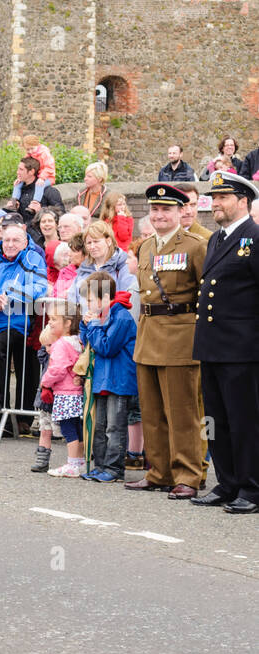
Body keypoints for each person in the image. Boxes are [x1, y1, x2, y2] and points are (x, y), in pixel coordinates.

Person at [126, 183, 208, 498]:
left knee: (183, 413)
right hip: (148, 336)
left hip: (181, 337)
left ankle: (188, 475)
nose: (160, 215)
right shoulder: (145, 247)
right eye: (155, 209)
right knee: (153, 411)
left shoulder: (195, 245)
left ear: (180, 212)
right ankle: (159, 472)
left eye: (167, 209)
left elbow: (207, 295)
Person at [190, 171, 259, 513]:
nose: (214, 204)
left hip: (242, 349)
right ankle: (228, 481)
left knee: (244, 419)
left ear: (242, 201)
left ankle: (251, 487)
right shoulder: (217, 239)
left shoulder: (254, 237)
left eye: (222, 198)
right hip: (213, 346)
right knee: (215, 421)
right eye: (213, 198)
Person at [0, 222, 48, 435]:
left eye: (15, 240)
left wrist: (9, 294)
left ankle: (23, 419)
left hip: (23, 324)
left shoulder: (33, 259)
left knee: (27, 368)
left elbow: (40, 287)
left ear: (24, 243)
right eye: (6, 240)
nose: (10, 244)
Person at [78, 271, 138, 482]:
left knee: (115, 427)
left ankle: (115, 469)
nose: (88, 305)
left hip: (119, 380)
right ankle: (101, 465)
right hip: (103, 379)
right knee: (100, 426)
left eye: (90, 300)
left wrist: (93, 325)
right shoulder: (101, 316)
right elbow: (87, 343)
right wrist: (85, 326)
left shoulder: (121, 316)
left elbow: (106, 347)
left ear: (105, 298)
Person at [38, 299, 86, 476]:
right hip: (76, 393)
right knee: (77, 427)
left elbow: (57, 369)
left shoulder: (60, 345)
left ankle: (72, 464)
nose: (49, 322)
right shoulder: (76, 341)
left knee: (68, 428)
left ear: (67, 323)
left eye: (54, 319)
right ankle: (80, 462)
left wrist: (45, 382)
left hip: (65, 393)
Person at [67, 220, 138, 312]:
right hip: (85, 324)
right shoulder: (84, 269)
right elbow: (72, 301)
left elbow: (128, 299)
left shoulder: (123, 266)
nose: (92, 247)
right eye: (89, 243)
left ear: (108, 241)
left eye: (96, 241)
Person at [8, 157, 64, 243]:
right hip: (23, 239)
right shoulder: (19, 191)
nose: (17, 172)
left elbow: (62, 215)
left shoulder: (49, 191)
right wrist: (11, 209)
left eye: (21, 169)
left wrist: (41, 211)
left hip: (43, 240)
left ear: (31, 172)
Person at [10, 135, 55, 207]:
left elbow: (49, 167)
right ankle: (14, 202)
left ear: (38, 145)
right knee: (17, 184)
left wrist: (42, 178)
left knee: (39, 185)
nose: (30, 151)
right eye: (28, 149)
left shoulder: (44, 154)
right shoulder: (30, 154)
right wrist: (19, 178)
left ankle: (35, 203)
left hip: (48, 177)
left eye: (32, 149)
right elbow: (24, 167)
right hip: (38, 175)